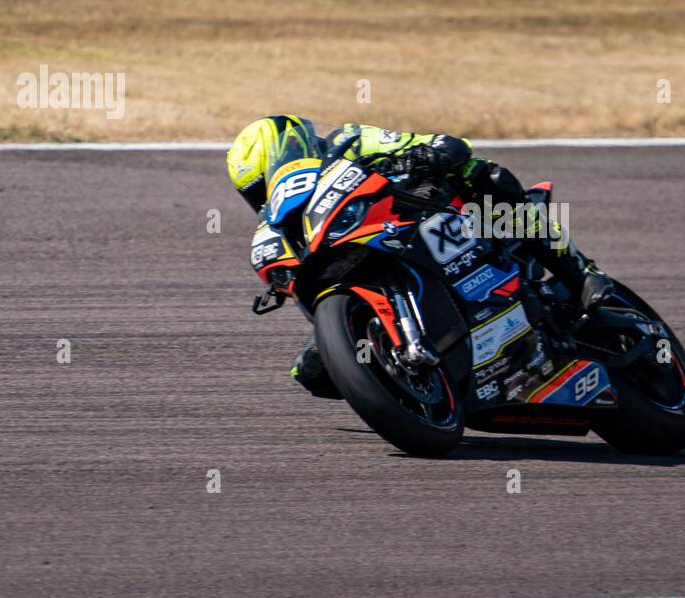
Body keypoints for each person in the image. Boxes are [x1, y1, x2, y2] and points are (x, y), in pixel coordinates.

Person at [226, 115, 613, 395]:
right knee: (311, 370)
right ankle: (411, 374)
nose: (264, 196)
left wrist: (429, 153)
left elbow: (431, 143)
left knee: (487, 176)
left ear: (290, 146)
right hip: (366, 257)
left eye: (264, 181)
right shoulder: (283, 222)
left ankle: (580, 273)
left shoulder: (350, 141)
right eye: (255, 193)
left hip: (435, 213)